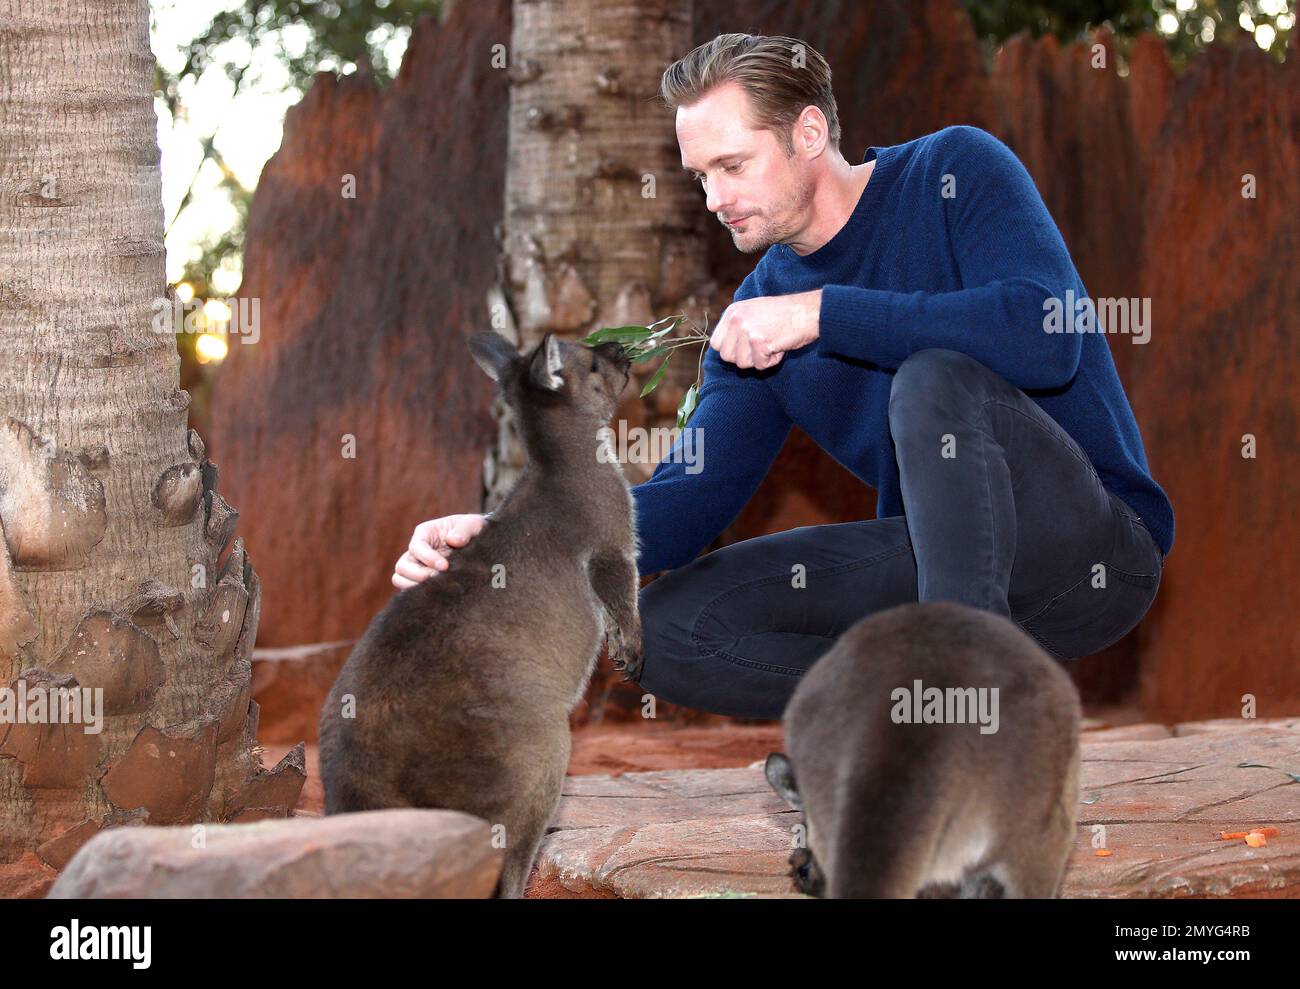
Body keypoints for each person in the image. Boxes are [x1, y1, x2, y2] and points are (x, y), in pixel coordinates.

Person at [394, 33, 1174, 720]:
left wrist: (826, 313)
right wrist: (506, 537)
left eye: (733, 165)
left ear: (809, 132)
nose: (715, 200)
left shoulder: (954, 171)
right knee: (662, 627)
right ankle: (897, 714)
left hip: (1088, 547)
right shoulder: (758, 312)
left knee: (933, 378)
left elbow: (1047, 335)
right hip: (944, 567)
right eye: (700, 176)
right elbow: (681, 508)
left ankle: (959, 738)